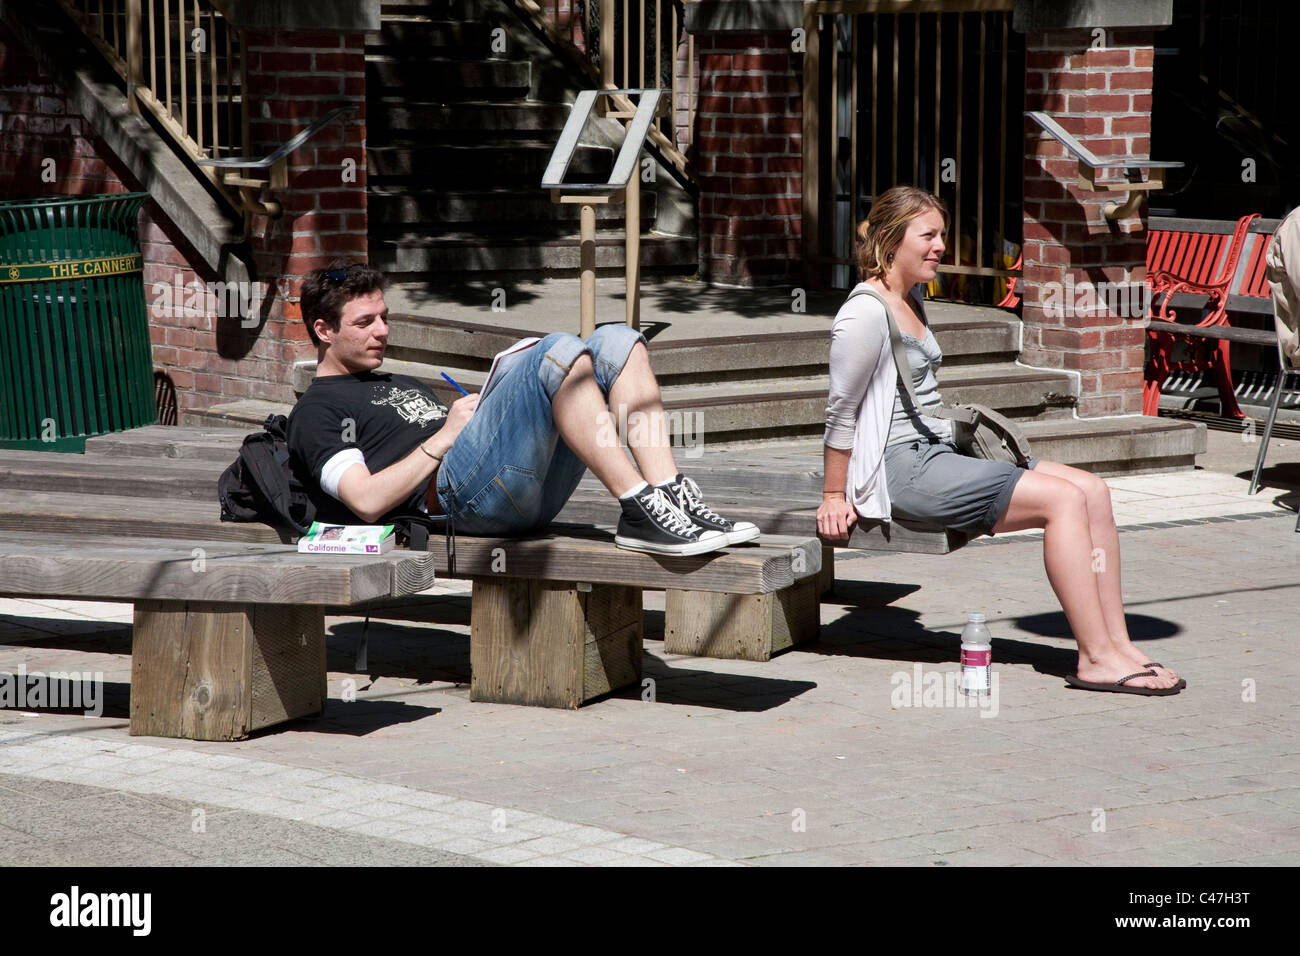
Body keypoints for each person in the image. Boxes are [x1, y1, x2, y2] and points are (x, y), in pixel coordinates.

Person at [816, 186, 1184, 696]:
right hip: (899, 469)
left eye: (941, 234)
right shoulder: (863, 313)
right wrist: (834, 495)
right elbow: (841, 412)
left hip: (933, 453)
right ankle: (1095, 657)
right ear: (888, 239)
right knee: (1062, 501)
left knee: (1092, 491)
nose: (940, 245)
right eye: (928, 235)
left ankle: (1116, 644)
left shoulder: (912, 297)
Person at [286, 261, 758, 556]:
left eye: (385, 317)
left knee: (617, 339)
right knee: (555, 352)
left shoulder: (395, 379)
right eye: (365, 322)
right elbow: (366, 501)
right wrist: (444, 437)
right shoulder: (315, 411)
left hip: (515, 489)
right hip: (461, 504)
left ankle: (669, 493)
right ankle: (638, 508)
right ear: (324, 330)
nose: (382, 331)